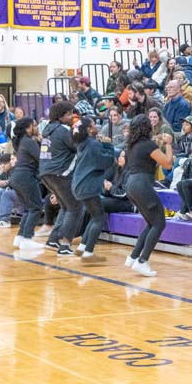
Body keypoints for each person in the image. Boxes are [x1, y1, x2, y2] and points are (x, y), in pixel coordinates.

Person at [123, 115, 174, 277]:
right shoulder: (148, 144)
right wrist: (168, 144)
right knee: (159, 223)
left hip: (131, 184)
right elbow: (168, 163)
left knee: (151, 222)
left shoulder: (132, 145)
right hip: (142, 184)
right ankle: (143, 261)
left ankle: (134, 256)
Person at [71, 117, 116, 263]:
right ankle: (89, 253)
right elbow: (107, 162)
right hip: (88, 185)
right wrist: (109, 145)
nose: (96, 126)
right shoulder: (93, 144)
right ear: (89, 129)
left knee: (94, 215)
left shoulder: (82, 143)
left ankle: (83, 246)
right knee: (99, 217)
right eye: (93, 125)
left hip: (79, 185)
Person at [40, 101, 83, 256]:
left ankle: (54, 239)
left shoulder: (47, 130)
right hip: (61, 173)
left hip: (46, 173)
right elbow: (77, 146)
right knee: (75, 207)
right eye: (69, 114)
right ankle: (65, 245)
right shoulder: (64, 130)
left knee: (66, 207)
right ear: (62, 115)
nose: (72, 116)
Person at [8, 117, 43, 253]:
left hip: (17, 176)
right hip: (26, 177)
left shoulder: (22, 141)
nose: (37, 127)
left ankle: (20, 237)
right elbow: (41, 158)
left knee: (29, 208)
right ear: (29, 128)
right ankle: (27, 239)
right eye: (34, 125)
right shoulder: (29, 141)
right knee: (36, 208)